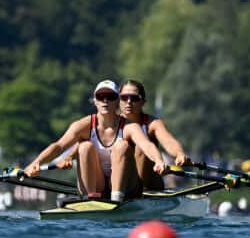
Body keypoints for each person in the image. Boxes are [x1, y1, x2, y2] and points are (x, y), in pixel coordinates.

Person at [24, 79, 167, 201]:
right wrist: (35, 163)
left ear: (117, 100)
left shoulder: (130, 127)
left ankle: (116, 199)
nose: (105, 100)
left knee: (121, 145)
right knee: (85, 147)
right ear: (95, 101)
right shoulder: (83, 125)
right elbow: (59, 146)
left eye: (110, 96)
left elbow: (147, 145)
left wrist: (159, 161)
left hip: (126, 186)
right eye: (100, 96)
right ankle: (90, 198)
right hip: (97, 184)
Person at [117, 79, 189, 191]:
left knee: (142, 147)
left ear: (143, 102)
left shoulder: (152, 124)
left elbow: (168, 141)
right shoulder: (111, 122)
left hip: (148, 184)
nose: (129, 101)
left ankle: (137, 193)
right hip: (121, 181)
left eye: (134, 98)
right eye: (124, 97)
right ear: (119, 100)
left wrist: (179, 154)